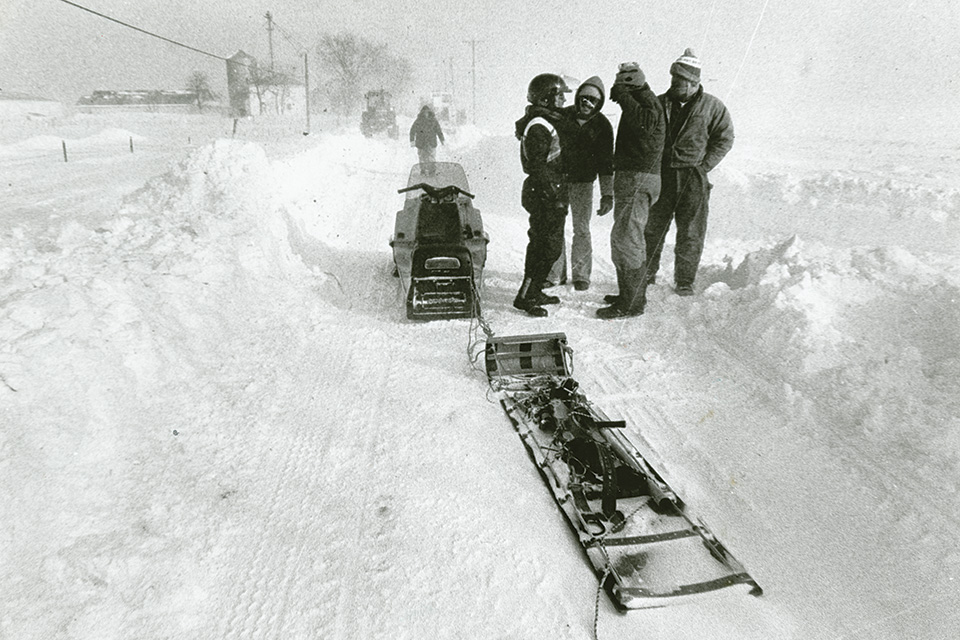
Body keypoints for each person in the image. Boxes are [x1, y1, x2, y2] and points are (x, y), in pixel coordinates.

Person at [644, 48, 734, 296]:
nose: (674, 83)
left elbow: (725, 138)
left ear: (694, 82)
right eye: (673, 78)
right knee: (652, 228)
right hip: (662, 175)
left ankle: (684, 280)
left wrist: (704, 166)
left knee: (691, 231)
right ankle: (647, 272)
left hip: (692, 177)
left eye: (680, 80)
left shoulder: (713, 107)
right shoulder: (660, 102)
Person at [596, 62, 665, 319]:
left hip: (638, 179)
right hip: (634, 178)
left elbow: (644, 125)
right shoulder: (642, 100)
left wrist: (625, 97)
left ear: (630, 83)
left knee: (627, 240)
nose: (616, 89)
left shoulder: (646, 103)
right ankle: (629, 294)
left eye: (620, 84)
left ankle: (632, 302)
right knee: (627, 238)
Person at [544, 76, 614, 292]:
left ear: (599, 103)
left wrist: (607, 194)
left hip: (583, 184)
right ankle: (555, 274)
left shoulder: (603, 126)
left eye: (593, 100)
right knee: (555, 227)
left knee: (581, 229)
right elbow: (539, 118)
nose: (587, 103)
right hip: (559, 181)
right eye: (583, 98)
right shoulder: (563, 116)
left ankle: (581, 275)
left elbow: (606, 163)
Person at [512, 73, 572, 317]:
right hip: (545, 193)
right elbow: (537, 166)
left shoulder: (545, 120)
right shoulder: (538, 124)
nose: (562, 100)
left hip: (550, 191)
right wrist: (552, 194)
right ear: (546, 98)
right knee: (544, 247)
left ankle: (534, 290)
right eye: (558, 95)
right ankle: (526, 295)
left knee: (549, 246)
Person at [409, 105, 445, 174]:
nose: (425, 113)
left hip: (430, 142)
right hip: (421, 143)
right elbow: (412, 131)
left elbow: (439, 131)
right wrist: (412, 141)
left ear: (429, 112)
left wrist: (442, 139)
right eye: (424, 112)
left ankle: (432, 170)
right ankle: (423, 170)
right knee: (422, 157)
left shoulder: (433, 121)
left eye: (427, 112)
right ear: (422, 113)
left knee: (431, 156)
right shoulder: (418, 121)